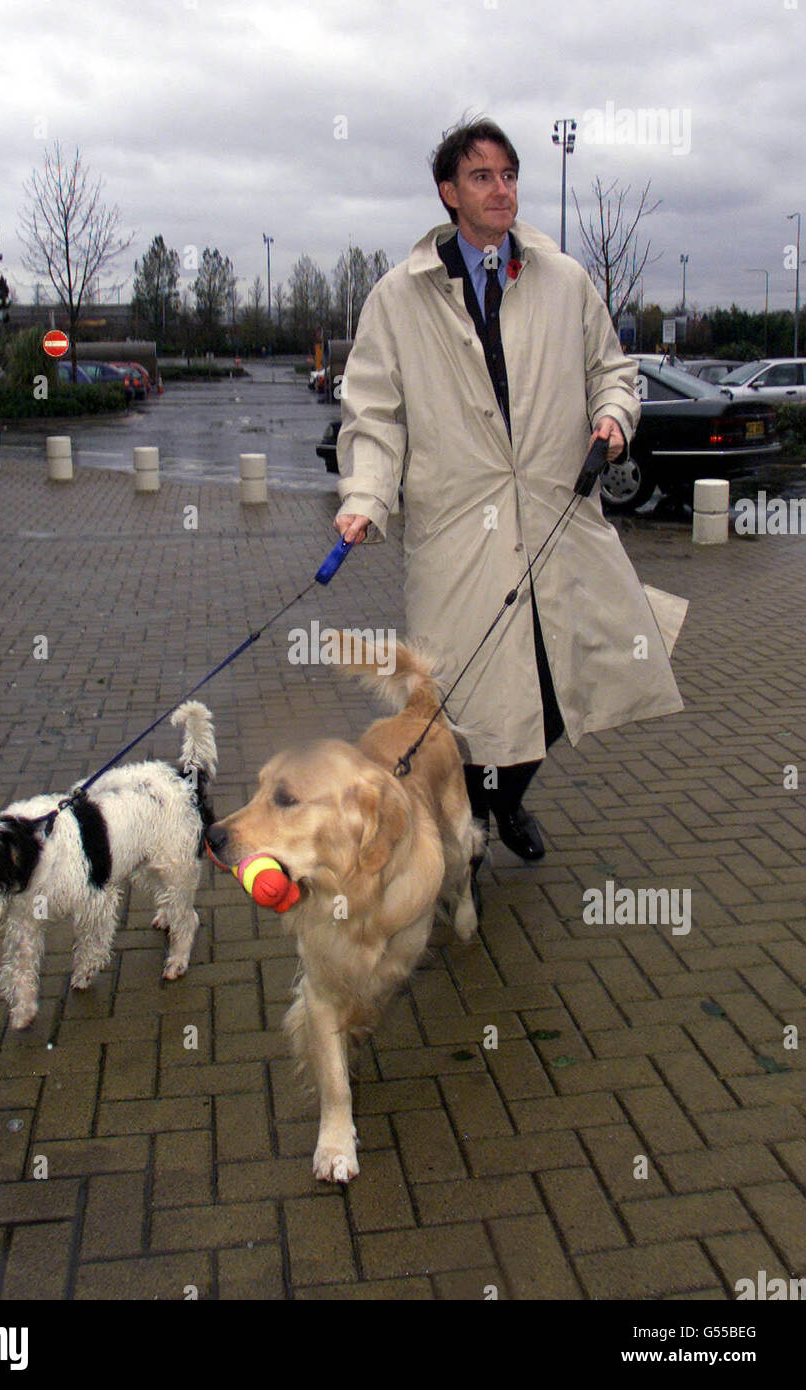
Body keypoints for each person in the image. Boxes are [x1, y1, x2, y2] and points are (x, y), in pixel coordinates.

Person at [333, 116, 683, 868]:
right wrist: (364, 496)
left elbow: (612, 373)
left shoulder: (563, 280)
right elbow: (372, 412)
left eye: (510, 175)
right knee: (460, 701)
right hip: (458, 533)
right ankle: (468, 826)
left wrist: (613, 419)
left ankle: (507, 797)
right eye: (483, 177)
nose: (502, 190)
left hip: (557, 520)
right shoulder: (398, 298)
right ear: (448, 193)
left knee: (558, 684)